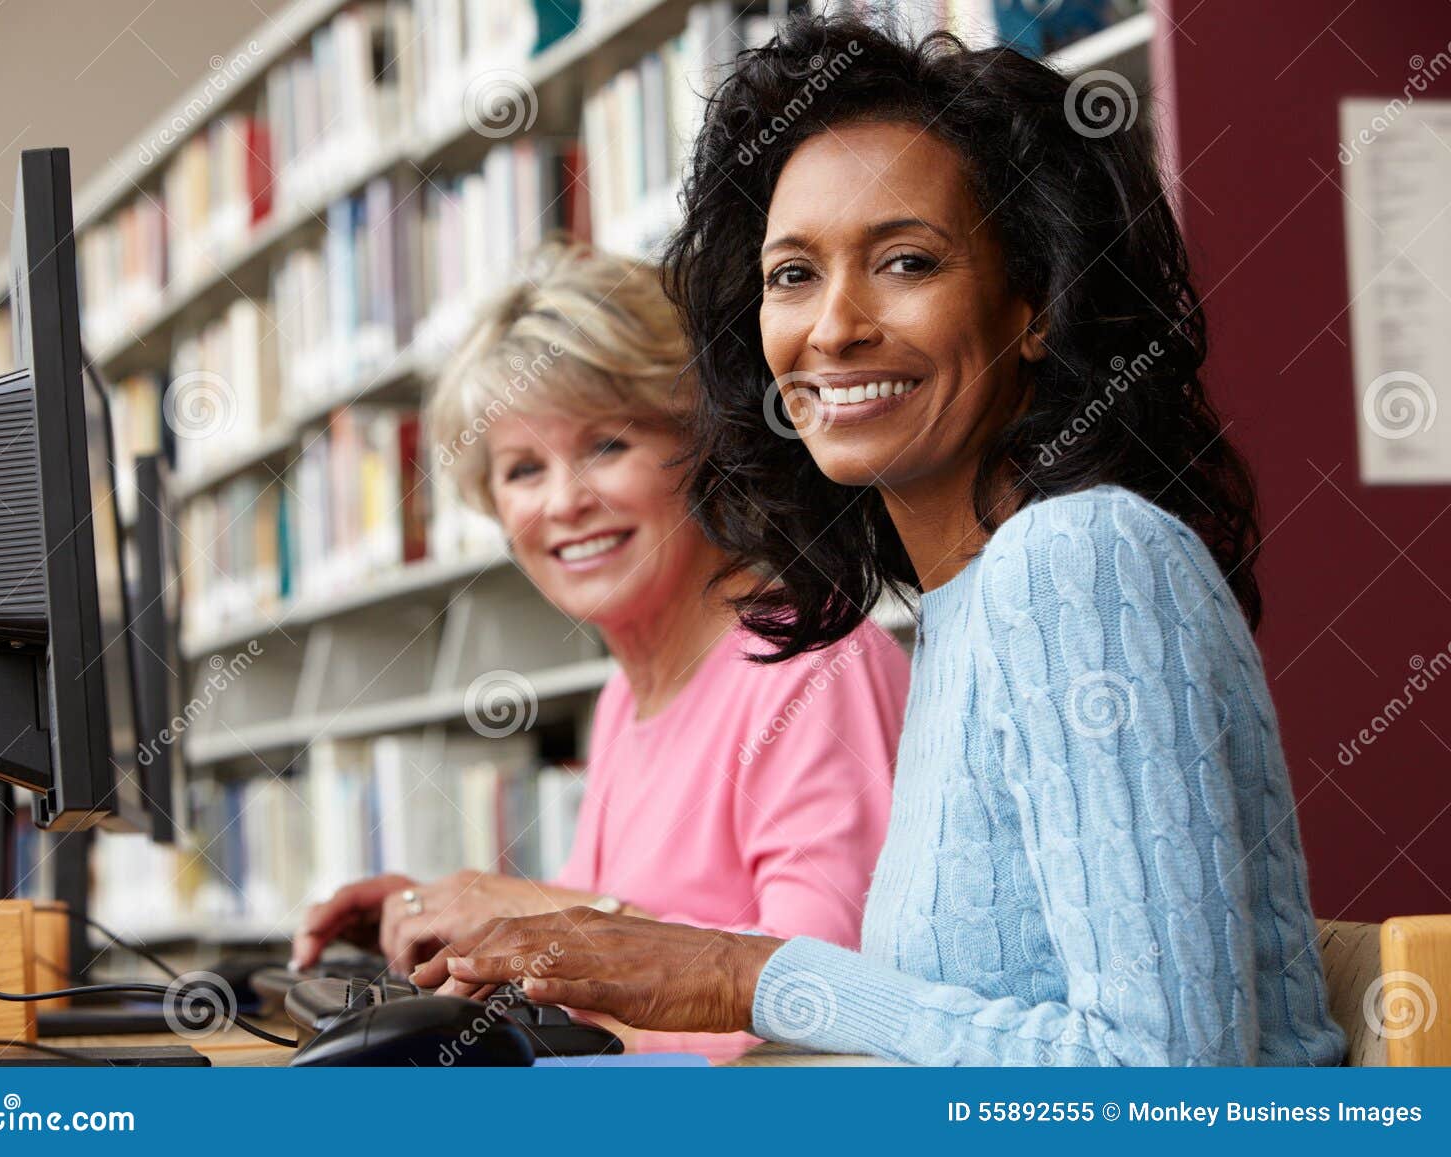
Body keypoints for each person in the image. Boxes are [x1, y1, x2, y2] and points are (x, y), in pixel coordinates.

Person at [411, 18, 1349, 1066]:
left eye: (905, 261)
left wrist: (745, 974)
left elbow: (1170, 1082)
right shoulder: (964, 603)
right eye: (792, 275)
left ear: (1031, 303)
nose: (835, 327)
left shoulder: (1080, 558)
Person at [293, 243, 909, 1051]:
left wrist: (524, 910)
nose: (565, 502)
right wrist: (455, 928)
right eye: (521, 469)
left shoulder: (813, 663)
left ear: (702, 446)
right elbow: (610, 989)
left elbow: (825, 1019)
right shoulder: (627, 694)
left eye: (606, 446)